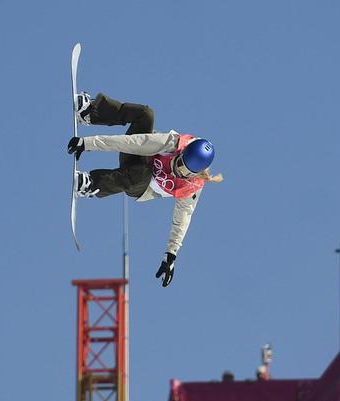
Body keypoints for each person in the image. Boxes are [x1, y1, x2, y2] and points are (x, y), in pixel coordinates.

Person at [67, 92, 223, 288]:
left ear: (196, 173)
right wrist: (88, 143)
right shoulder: (173, 143)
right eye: (180, 162)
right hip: (137, 155)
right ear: (182, 152)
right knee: (146, 114)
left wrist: (170, 255)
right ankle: (91, 112)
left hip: (140, 184)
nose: (177, 170)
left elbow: (182, 220)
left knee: (142, 174)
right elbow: (134, 143)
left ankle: (91, 184)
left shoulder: (191, 187)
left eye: (184, 171)